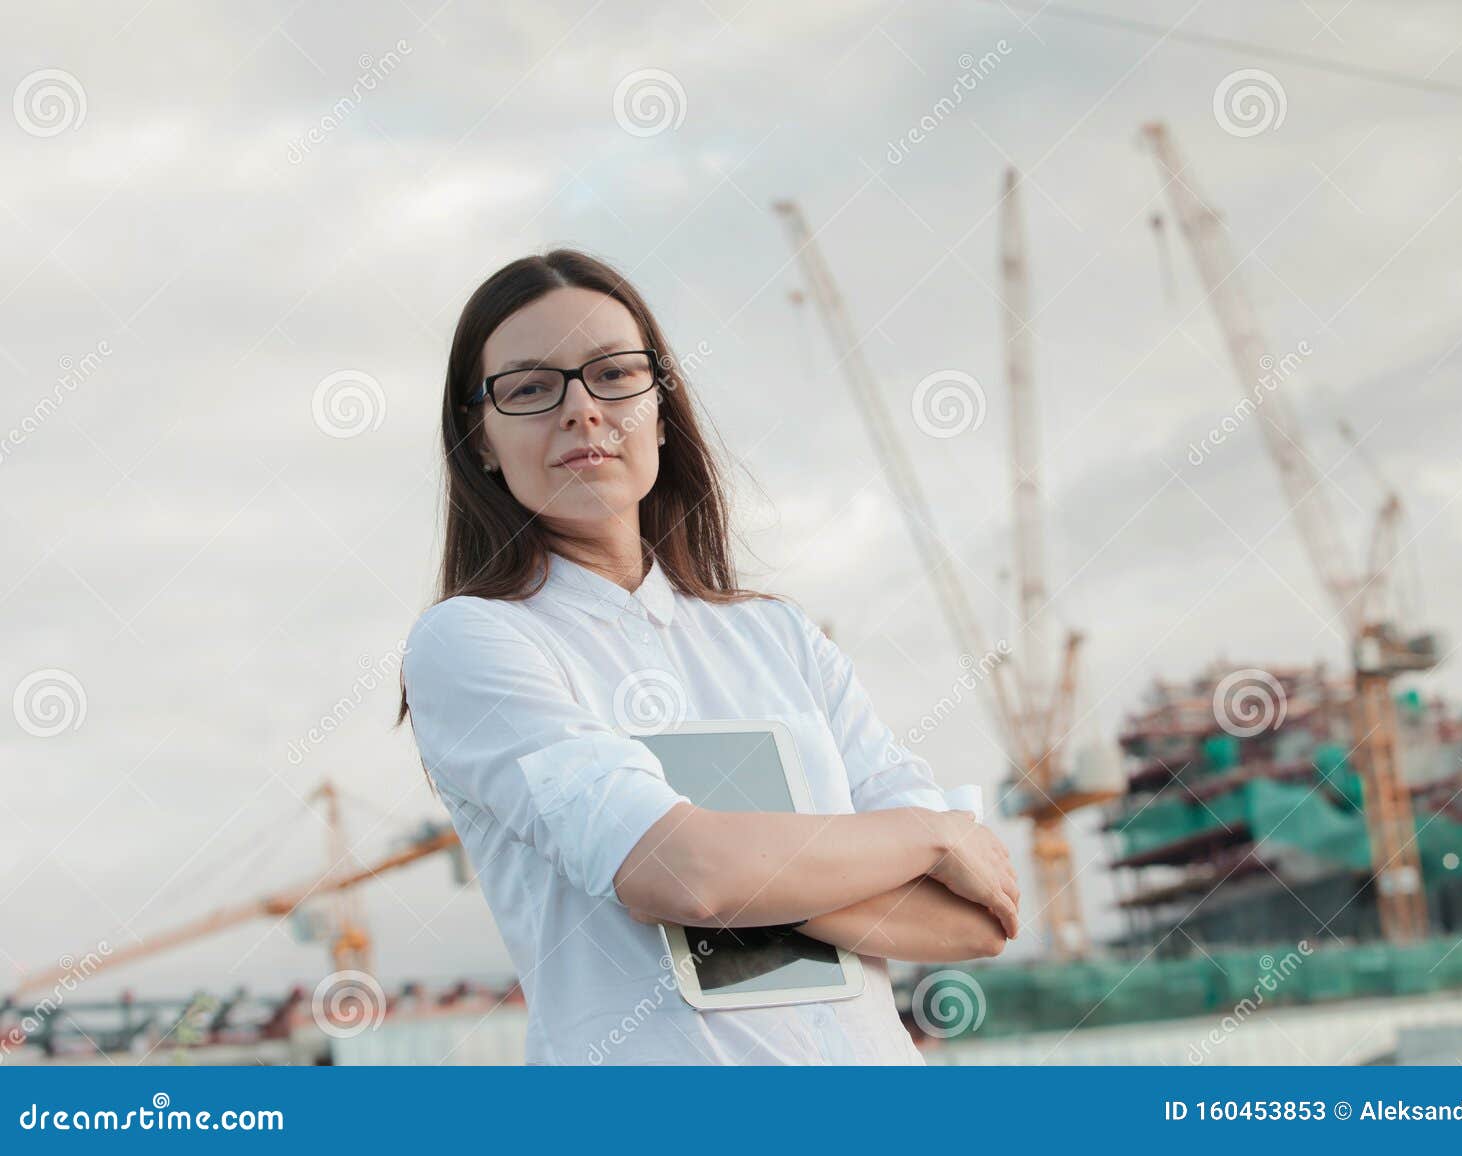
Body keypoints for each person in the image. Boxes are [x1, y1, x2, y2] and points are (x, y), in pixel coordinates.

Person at [396, 250, 1019, 1065]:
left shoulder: (782, 638)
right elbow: (678, 873)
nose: (582, 411)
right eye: (529, 388)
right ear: (480, 439)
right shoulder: (474, 641)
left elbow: (974, 921)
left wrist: (741, 873)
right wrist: (930, 835)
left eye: (614, 374)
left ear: (660, 409)